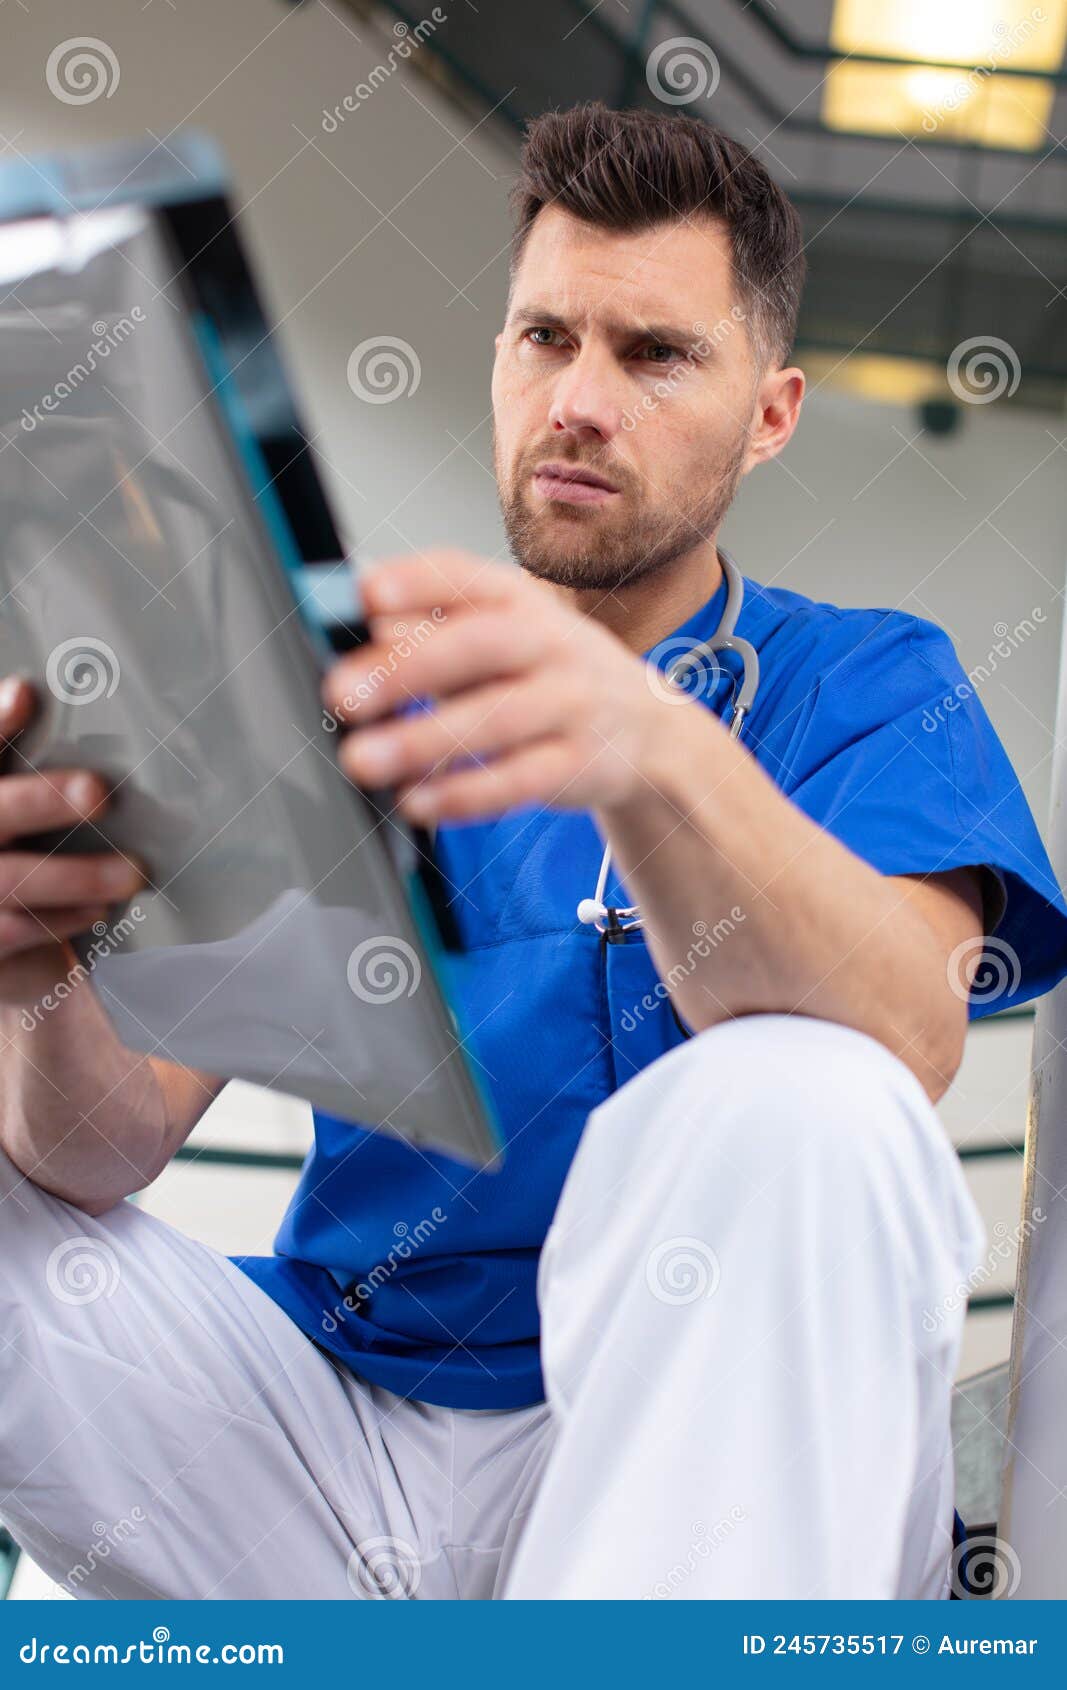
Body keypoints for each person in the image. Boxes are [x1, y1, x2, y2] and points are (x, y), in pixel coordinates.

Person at [1, 102, 1064, 1601]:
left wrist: (648, 747)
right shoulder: (367, 688)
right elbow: (98, 1148)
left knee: (811, 1090)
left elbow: (906, 1031)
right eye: (543, 338)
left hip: (665, 1469)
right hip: (318, 1451)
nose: (578, 398)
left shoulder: (867, 684)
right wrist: (37, 961)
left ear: (772, 412)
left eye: (656, 354)